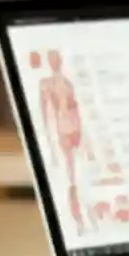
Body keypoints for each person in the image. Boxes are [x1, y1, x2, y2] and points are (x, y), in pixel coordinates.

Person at [38, 49, 94, 236]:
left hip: (75, 127)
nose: (56, 61)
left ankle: (90, 220)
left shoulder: (69, 82)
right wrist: (51, 149)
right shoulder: (46, 85)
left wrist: (87, 140)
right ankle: (78, 222)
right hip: (62, 129)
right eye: (53, 59)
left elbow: (78, 109)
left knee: (84, 177)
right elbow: (45, 117)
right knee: (72, 180)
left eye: (58, 58)